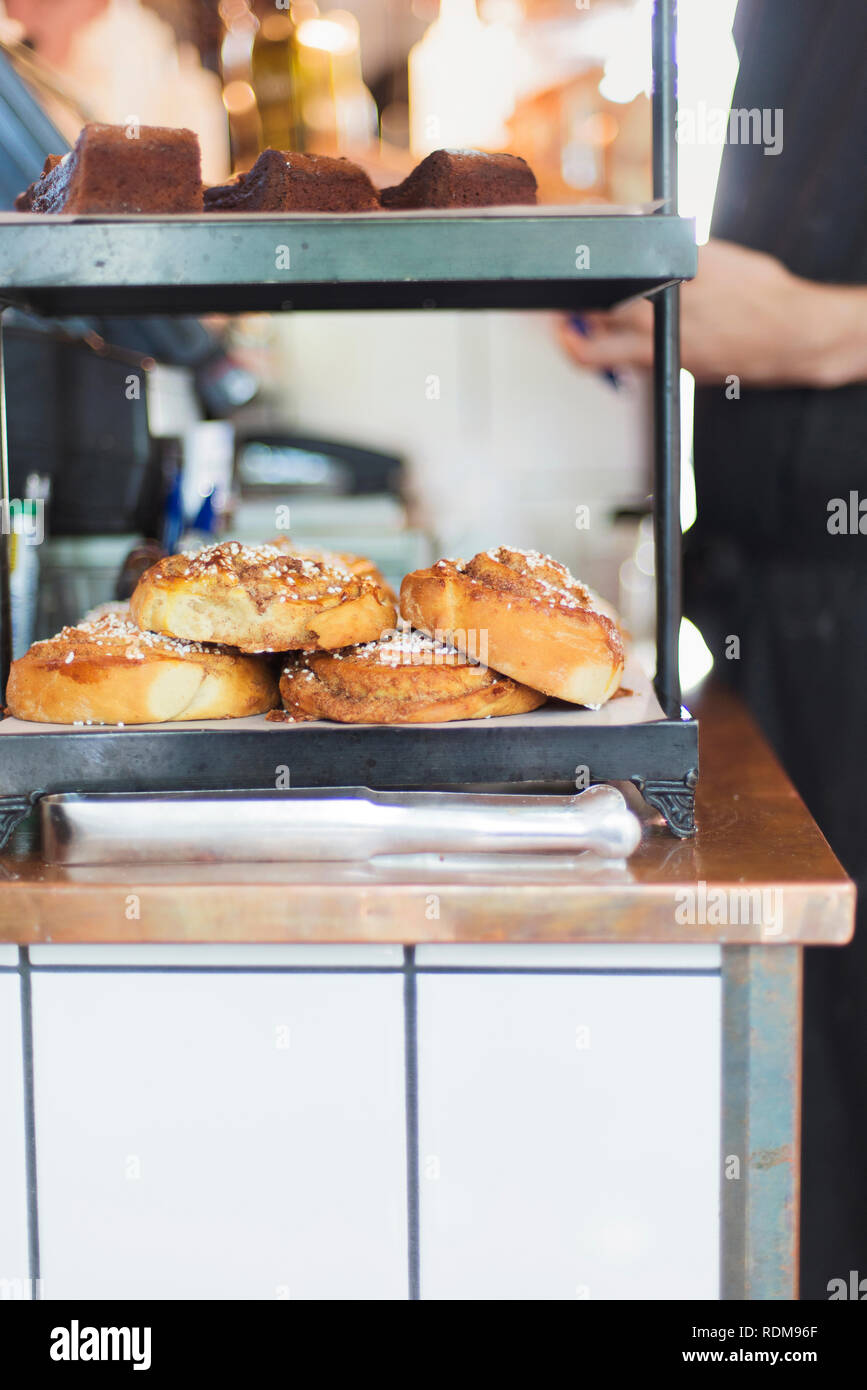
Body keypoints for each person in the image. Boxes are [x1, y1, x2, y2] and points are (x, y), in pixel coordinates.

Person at [561, 0, 867, 1299]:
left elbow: (811, 313)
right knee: (817, 1105)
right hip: (759, 608)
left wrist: (808, 331)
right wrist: (663, 316)